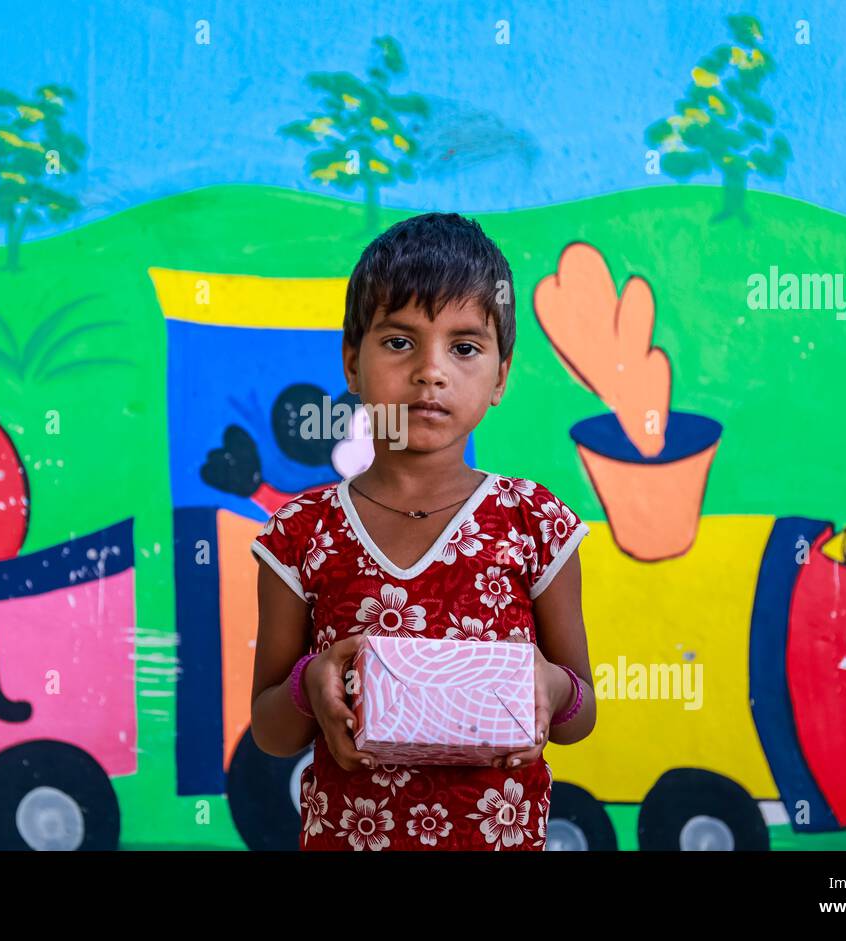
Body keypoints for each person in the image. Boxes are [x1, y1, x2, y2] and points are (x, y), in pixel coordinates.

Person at [249, 212, 595, 851]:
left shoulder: (533, 524)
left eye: (464, 347)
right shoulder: (300, 533)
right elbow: (270, 730)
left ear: (501, 375)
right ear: (352, 363)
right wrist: (309, 683)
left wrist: (550, 689)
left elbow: (580, 713)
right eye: (400, 341)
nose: (430, 371)